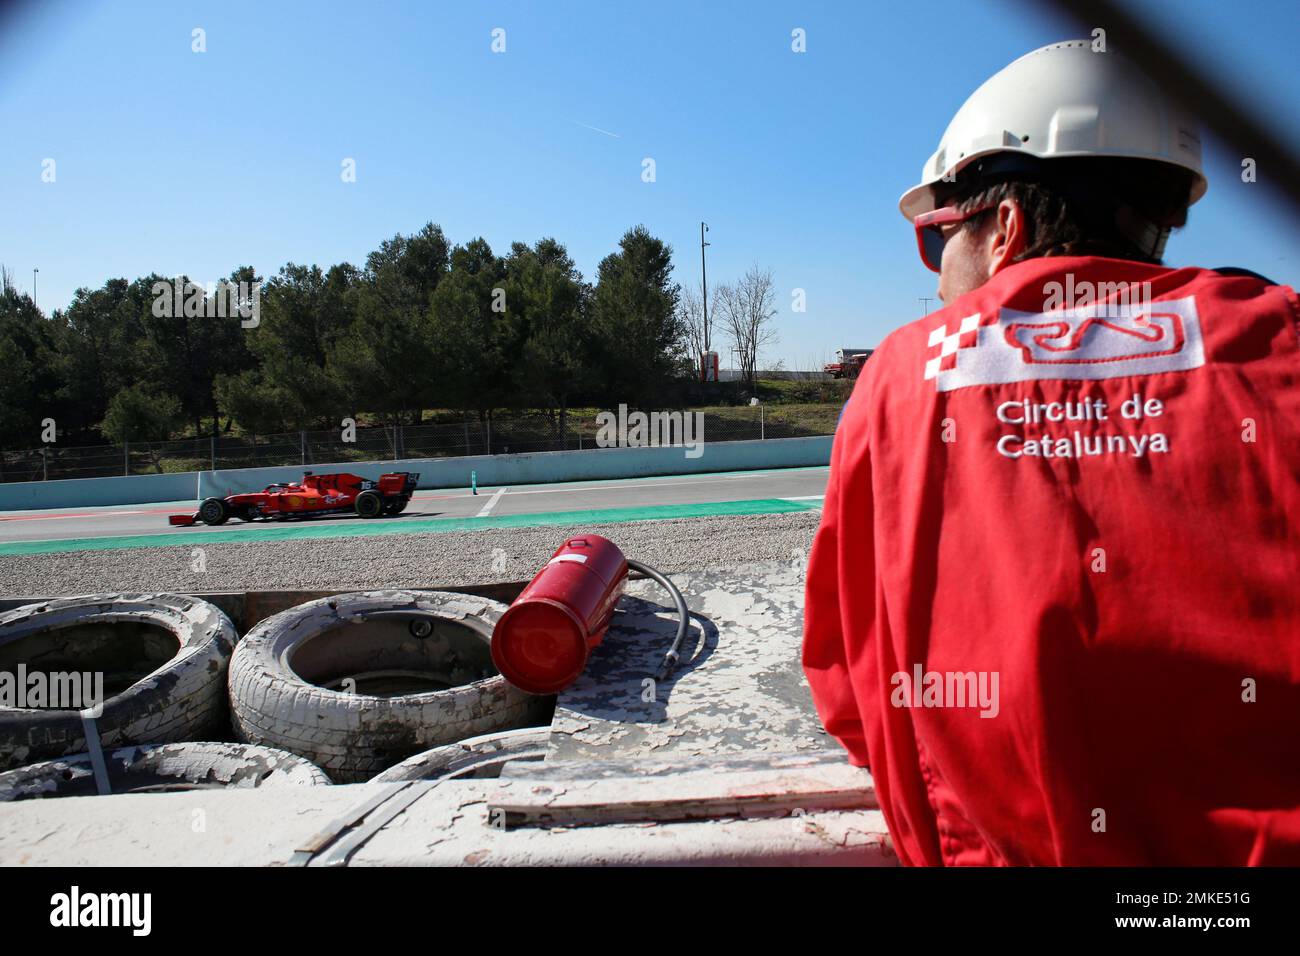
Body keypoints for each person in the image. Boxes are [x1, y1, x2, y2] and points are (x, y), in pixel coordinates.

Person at [802, 39, 1300, 866]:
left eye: (936, 241)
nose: (932, 282)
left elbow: (847, 689)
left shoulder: (900, 378)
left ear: (1006, 227)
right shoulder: (1281, 337)